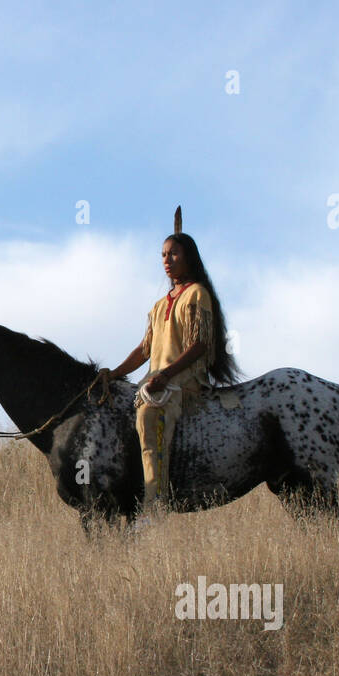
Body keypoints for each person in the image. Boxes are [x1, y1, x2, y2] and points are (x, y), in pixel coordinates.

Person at [99, 208, 240, 515]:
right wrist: (114, 374)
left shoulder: (197, 295)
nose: (166, 260)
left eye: (174, 253)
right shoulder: (159, 304)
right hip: (158, 379)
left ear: (188, 257)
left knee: (150, 414)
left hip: (184, 382)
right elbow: (144, 349)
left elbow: (200, 344)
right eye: (163, 254)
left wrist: (166, 375)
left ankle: (156, 504)